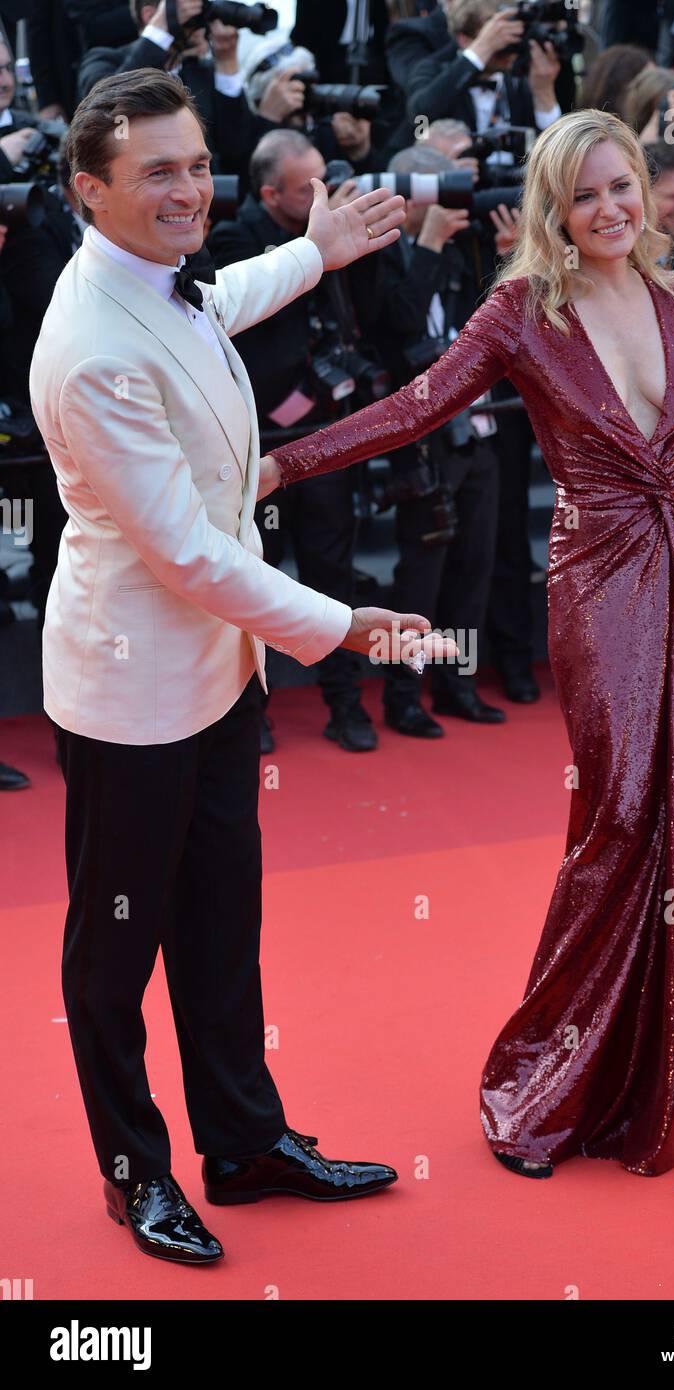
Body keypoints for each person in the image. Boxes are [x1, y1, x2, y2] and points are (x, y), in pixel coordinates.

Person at [266, 109, 674, 1180]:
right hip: (601, 582)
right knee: (619, 816)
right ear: (554, 208)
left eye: (623, 187)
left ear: (645, 190)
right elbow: (413, 408)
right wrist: (285, 464)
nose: (610, 210)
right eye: (586, 194)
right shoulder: (520, 312)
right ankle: (554, 1080)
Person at [28, 65, 454, 1265]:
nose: (189, 191)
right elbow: (186, 557)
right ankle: (135, 1174)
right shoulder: (90, 344)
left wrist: (314, 253)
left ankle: (246, 1144)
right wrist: (342, 624)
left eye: (197, 165)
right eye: (157, 172)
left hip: (216, 679)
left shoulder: (157, 286)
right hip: (131, 692)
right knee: (113, 953)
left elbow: (217, 301)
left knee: (222, 925)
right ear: (87, 191)